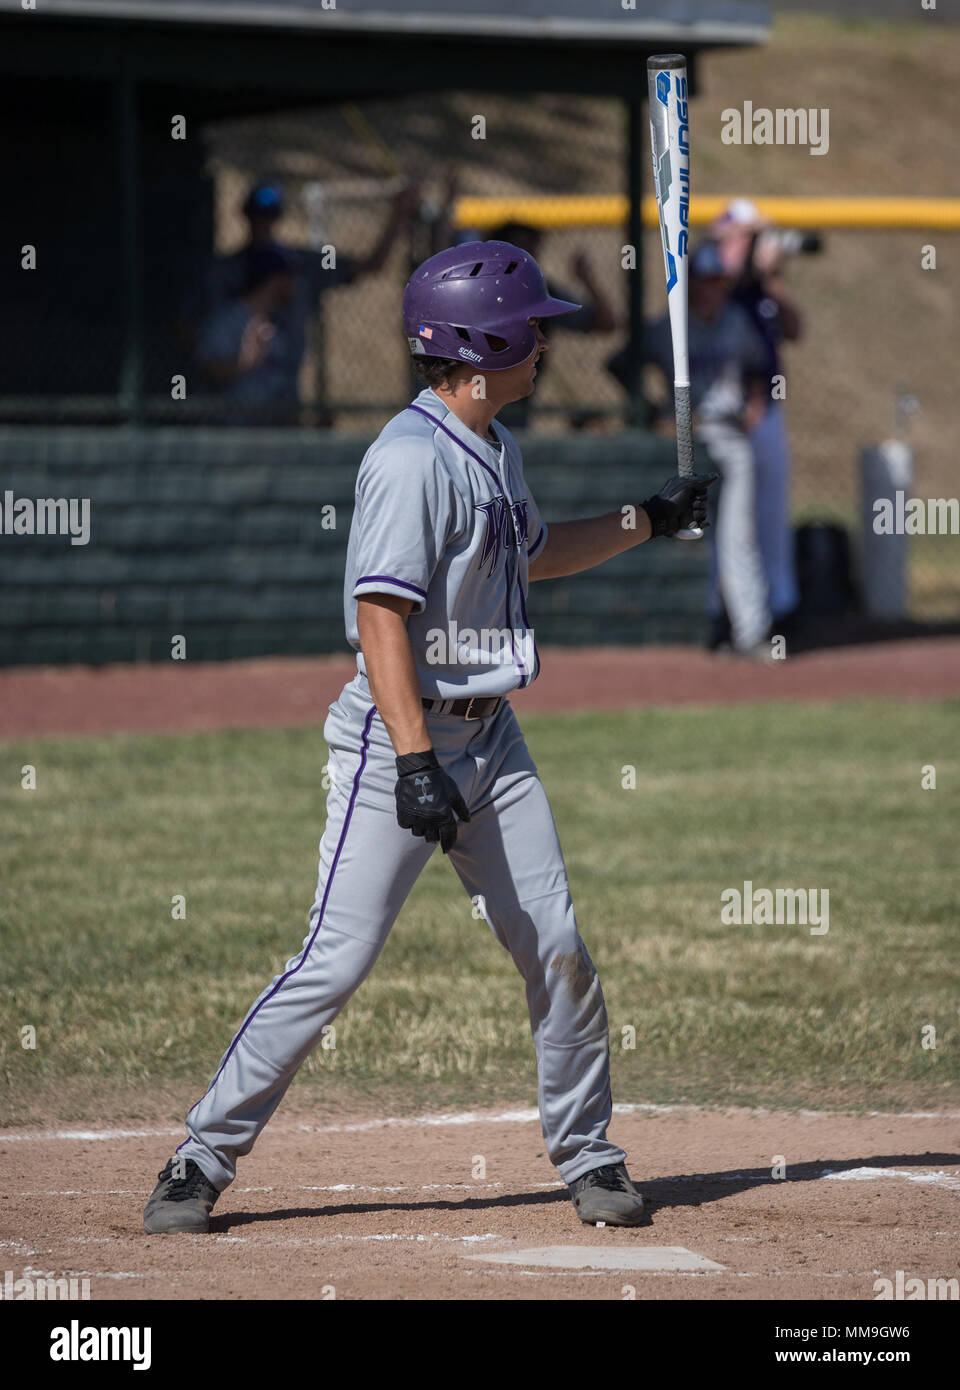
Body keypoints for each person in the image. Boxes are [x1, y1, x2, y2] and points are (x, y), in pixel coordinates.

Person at [142, 239, 716, 1236]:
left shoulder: (494, 445)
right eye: (531, 329)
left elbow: (533, 556)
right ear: (483, 341)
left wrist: (646, 519)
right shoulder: (408, 461)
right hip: (393, 747)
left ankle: (588, 1153)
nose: (544, 343)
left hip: (491, 743)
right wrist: (413, 759)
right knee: (335, 959)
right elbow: (379, 618)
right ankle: (200, 1156)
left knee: (560, 947)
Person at [187, 180, 421, 419]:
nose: (263, 222)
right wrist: (240, 365)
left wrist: (398, 215)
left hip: (285, 408)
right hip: (240, 416)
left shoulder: (299, 263)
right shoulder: (225, 297)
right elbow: (198, 347)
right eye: (257, 215)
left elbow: (371, 265)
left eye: (270, 215)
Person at [643, 240, 771, 657]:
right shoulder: (668, 327)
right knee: (691, 535)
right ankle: (705, 629)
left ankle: (750, 633)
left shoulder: (736, 320)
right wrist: (651, 410)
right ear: (692, 283)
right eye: (707, 281)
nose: (715, 289)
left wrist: (755, 406)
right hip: (686, 441)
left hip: (730, 435)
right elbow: (622, 361)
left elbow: (759, 366)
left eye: (720, 281)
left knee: (739, 535)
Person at [710, 199, 802, 627]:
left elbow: (797, 329)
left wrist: (773, 278)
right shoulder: (716, 279)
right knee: (725, 522)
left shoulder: (763, 287)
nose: (756, 245)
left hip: (766, 410)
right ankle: (723, 611)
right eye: (749, 236)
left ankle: (779, 606)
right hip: (721, 414)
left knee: (769, 514)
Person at [484, 221, 616, 428]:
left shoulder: (542, 292)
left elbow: (606, 324)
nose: (525, 261)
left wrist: (587, 279)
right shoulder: (478, 293)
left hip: (517, 408)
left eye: (531, 251)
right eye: (519, 251)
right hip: (479, 397)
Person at [194, 245, 299, 412]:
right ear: (275, 279)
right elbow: (207, 369)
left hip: (277, 429)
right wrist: (244, 364)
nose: (295, 284)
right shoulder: (228, 320)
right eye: (290, 277)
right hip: (239, 430)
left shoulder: (280, 321)